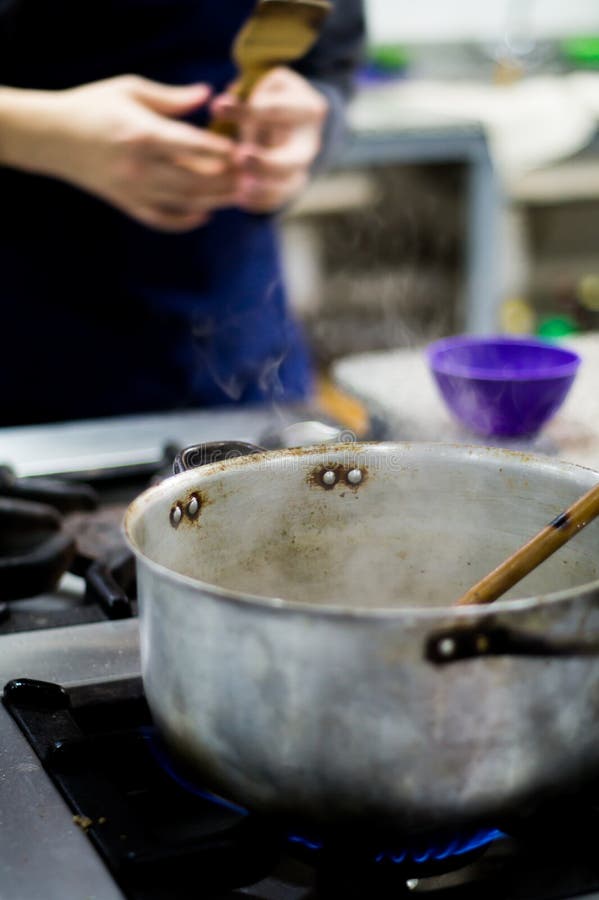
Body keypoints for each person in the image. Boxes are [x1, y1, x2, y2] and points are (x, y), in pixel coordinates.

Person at [0, 0, 364, 425]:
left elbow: (327, 68)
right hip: (21, 330)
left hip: (231, 325)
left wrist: (299, 136)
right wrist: (36, 134)